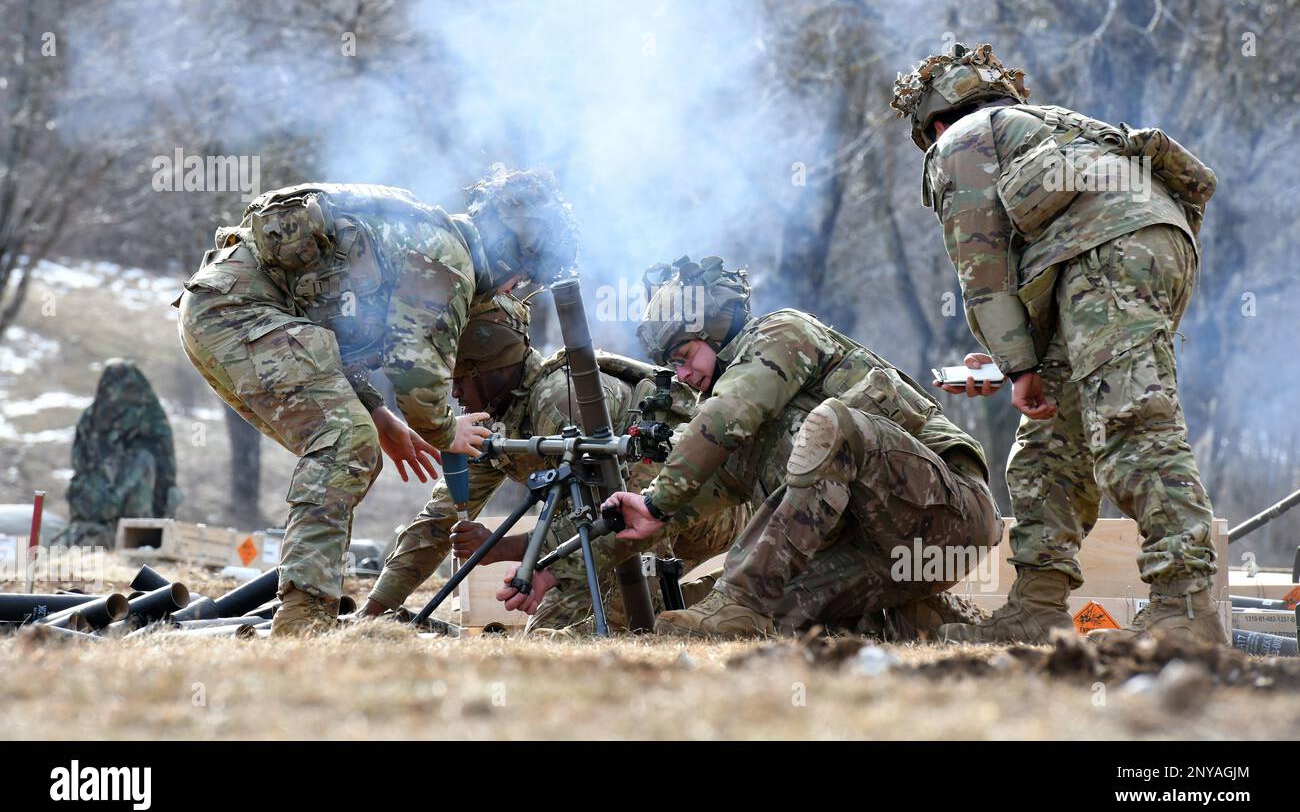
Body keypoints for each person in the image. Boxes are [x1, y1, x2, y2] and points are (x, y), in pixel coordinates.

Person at [891, 42, 1224, 644]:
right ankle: (1037, 607)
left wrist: (1017, 366)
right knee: (1053, 442)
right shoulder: (1045, 128)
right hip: (1141, 252)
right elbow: (1052, 259)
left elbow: (983, 271)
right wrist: (1016, 363)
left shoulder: (962, 140)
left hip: (1111, 257)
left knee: (1132, 425)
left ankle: (1186, 605)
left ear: (935, 124)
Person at [176, 168, 577, 635]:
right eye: (523, 278)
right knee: (345, 441)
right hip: (237, 312)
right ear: (511, 252)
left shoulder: (430, 239)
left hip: (227, 310)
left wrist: (378, 411)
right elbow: (415, 363)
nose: (513, 291)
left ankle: (308, 609)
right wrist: (446, 430)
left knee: (355, 440)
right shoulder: (449, 258)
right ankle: (303, 618)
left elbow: (333, 330)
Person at [581, 256, 1001, 639]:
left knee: (832, 423)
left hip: (951, 512)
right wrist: (551, 566)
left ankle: (741, 601)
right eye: (673, 365)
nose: (683, 374)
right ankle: (943, 625)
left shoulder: (781, 331)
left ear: (714, 329)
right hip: (887, 552)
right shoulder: (742, 430)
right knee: (778, 617)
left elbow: (730, 415)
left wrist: (657, 501)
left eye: (686, 355)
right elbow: (686, 505)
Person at [362, 291, 752, 632]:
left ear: (489, 366)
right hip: (621, 529)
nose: (454, 391)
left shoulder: (558, 400)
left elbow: (597, 524)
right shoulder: (495, 419)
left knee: (585, 634)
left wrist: (501, 548)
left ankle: (729, 597)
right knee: (564, 628)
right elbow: (437, 523)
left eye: (460, 376)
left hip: (692, 510)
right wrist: (373, 612)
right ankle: (710, 596)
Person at [66, 359, 180, 546]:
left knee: (142, 461)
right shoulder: (93, 420)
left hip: (135, 524)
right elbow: (81, 463)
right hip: (95, 516)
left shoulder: (147, 420)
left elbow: (163, 467)